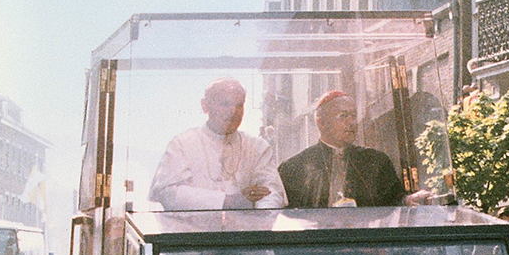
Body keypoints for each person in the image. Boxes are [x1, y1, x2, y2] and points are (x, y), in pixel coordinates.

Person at [148, 77, 286, 210]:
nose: (233, 112)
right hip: (193, 225)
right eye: (225, 104)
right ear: (205, 106)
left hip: (246, 225)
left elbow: (271, 191)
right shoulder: (182, 144)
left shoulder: (258, 147)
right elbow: (167, 192)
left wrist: (263, 216)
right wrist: (227, 201)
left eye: (239, 105)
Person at [279, 91, 410, 208]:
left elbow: (395, 203)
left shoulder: (376, 161)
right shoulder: (294, 167)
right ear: (321, 123)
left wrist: (407, 201)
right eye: (343, 116)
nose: (352, 122)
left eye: (354, 115)